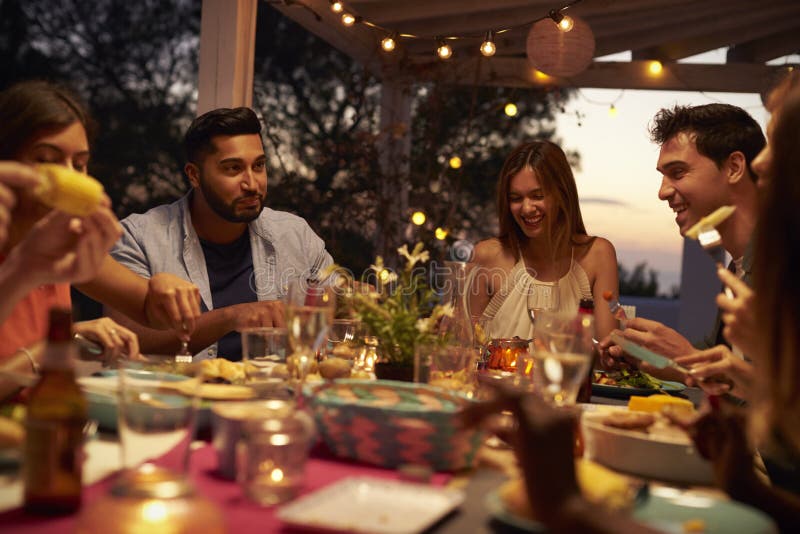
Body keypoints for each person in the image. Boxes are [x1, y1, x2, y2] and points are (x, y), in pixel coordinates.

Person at [0, 80, 201, 385]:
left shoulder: (62, 244)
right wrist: (56, 345)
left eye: (79, 164)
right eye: (45, 159)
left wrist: (161, 288)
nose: (69, 175)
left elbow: (149, 308)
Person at [109, 107, 334, 361]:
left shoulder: (295, 234)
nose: (252, 183)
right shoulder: (139, 238)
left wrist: (357, 299)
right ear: (194, 175)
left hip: (275, 396)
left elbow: (338, 309)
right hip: (179, 397)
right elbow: (128, 334)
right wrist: (232, 317)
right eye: (233, 169)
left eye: (258, 165)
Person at [599, 103, 765, 382]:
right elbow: (729, 363)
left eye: (677, 173)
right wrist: (651, 357)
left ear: (734, 168)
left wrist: (686, 360)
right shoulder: (740, 265)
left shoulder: (783, 264)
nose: (662, 192)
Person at [469, 139, 619, 341]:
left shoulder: (598, 255)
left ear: (561, 194)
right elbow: (462, 348)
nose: (526, 208)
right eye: (516, 198)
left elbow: (608, 356)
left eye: (537, 195)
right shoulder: (486, 256)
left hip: (573, 374)